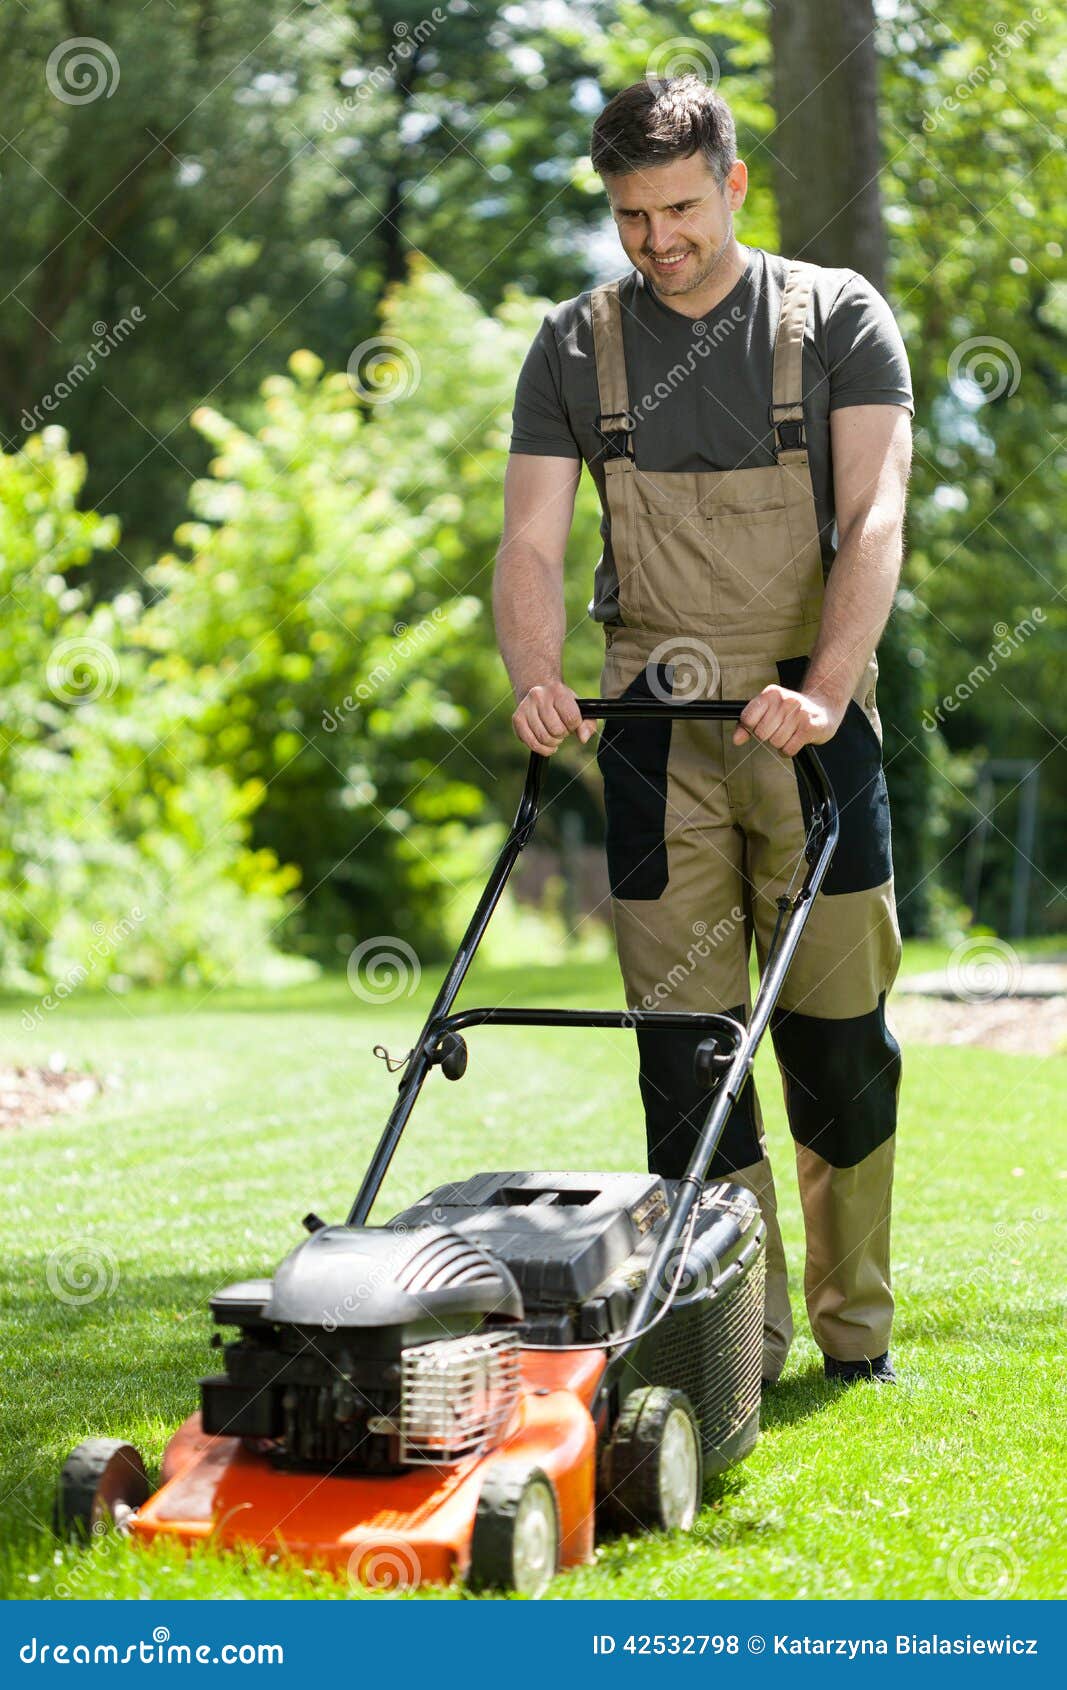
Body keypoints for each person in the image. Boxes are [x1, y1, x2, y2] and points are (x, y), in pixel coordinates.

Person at [493, 76, 913, 1387]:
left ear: (732, 183)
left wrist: (832, 688)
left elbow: (877, 519)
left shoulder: (834, 318)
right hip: (646, 727)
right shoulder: (576, 345)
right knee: (686, 1053)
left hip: (811, 718)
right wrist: (536, 668)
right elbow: (528, 541)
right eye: (630, 215)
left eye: (679, 208)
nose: (657, 239)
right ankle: (733, 1338)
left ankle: (854, 1336)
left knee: (839, 1039)